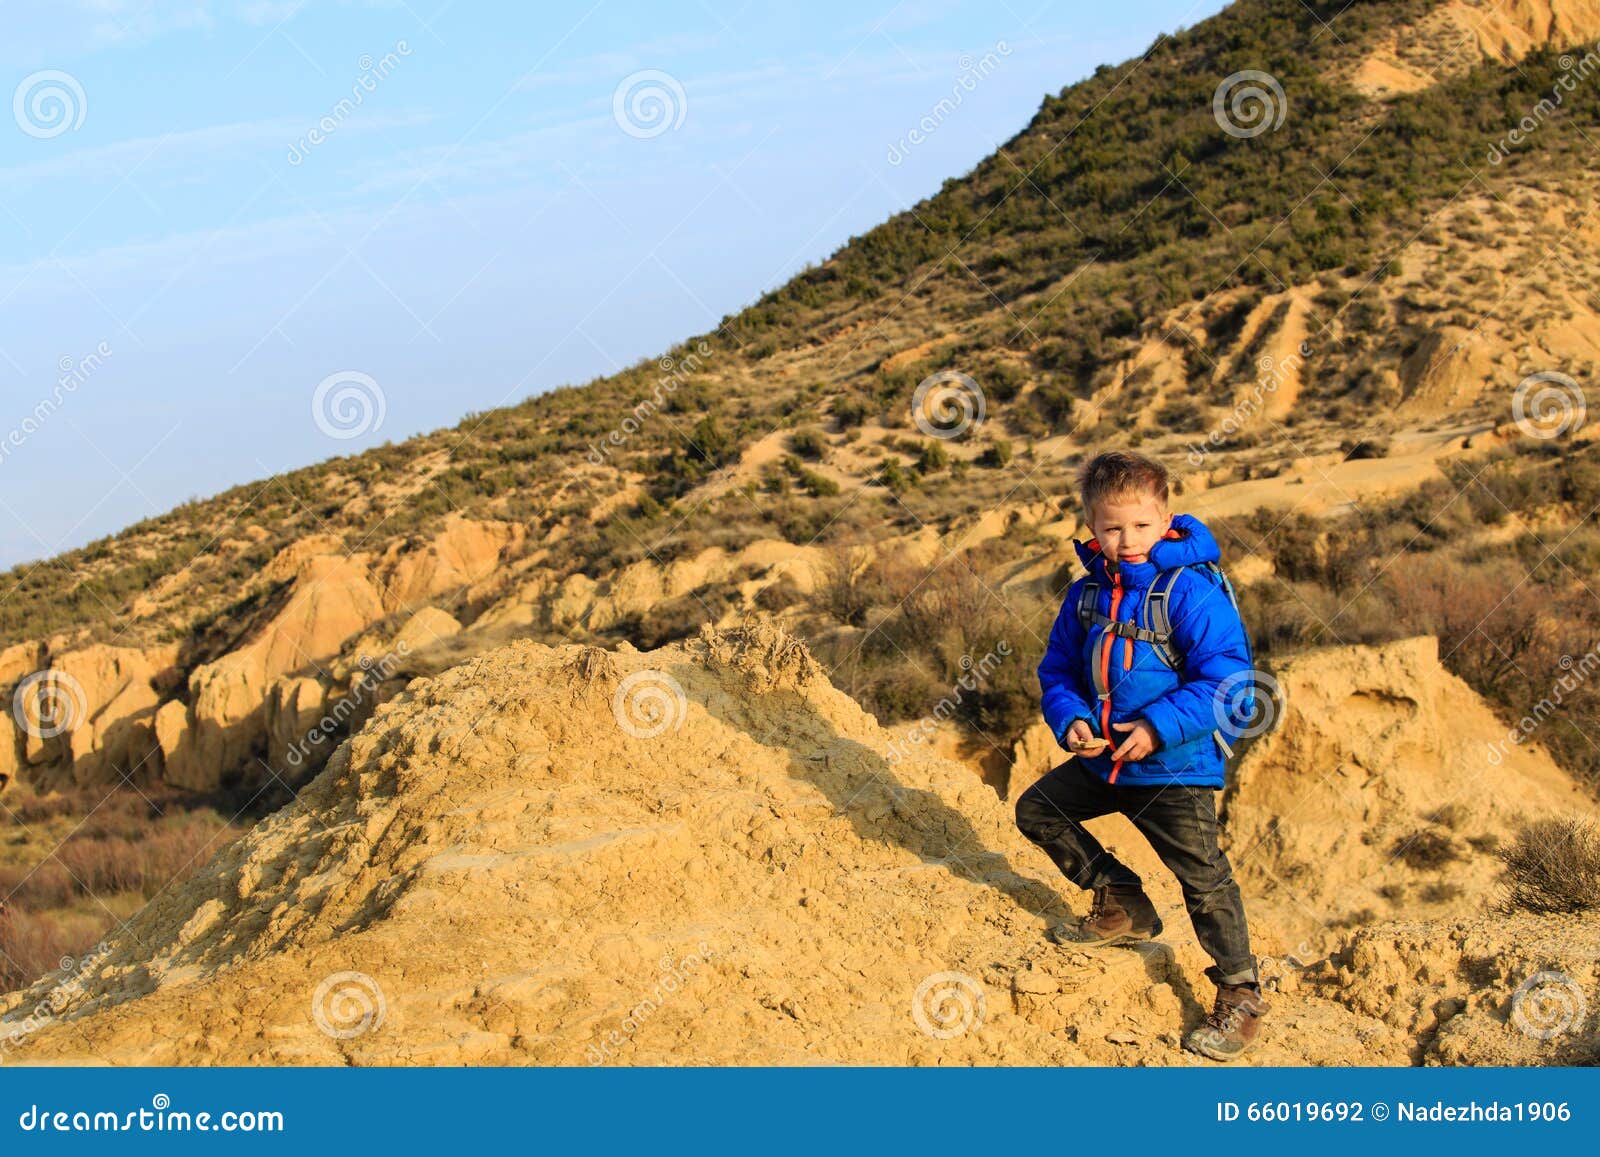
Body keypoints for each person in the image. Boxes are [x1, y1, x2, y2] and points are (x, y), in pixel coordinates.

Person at [1015, 449, 1269, 1061]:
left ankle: (1240, 992)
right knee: (1038, 811)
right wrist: (1071, 718)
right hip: (1106, 761)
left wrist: (1158, 728)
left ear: (1166, 518)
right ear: (1092, 527)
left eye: (1140, 525)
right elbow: (1058, 672)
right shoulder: (1085, 596)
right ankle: (1123, 899)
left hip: (1173, 767)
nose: (1127, 540)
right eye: (1111, 527)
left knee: (1203, 881)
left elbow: (1229, 681)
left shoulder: (1192, 591)